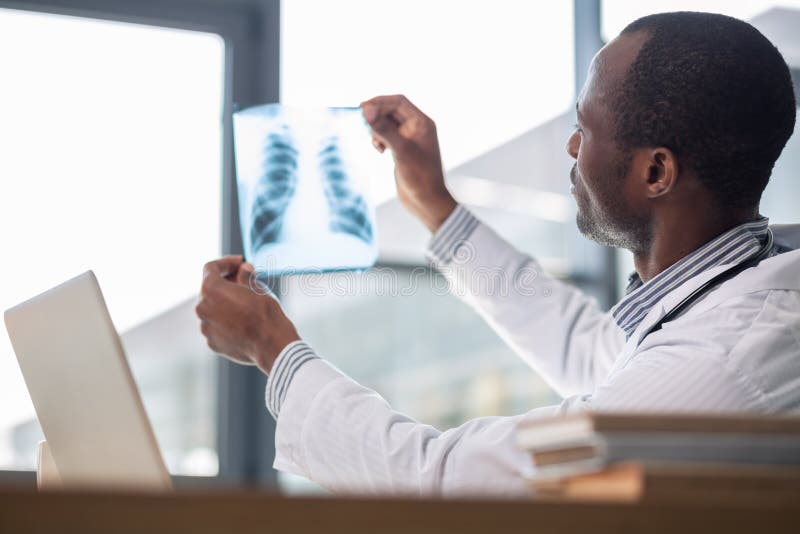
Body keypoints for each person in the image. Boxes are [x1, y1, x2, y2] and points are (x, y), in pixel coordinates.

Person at [195, 12, 799, 496]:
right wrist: (435, 204)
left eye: (586, 128)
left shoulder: (725, 360)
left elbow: (440, 483)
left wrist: (270, 346)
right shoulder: (725, 298)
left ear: (655, 172)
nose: (571, 146)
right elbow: (583, 348)